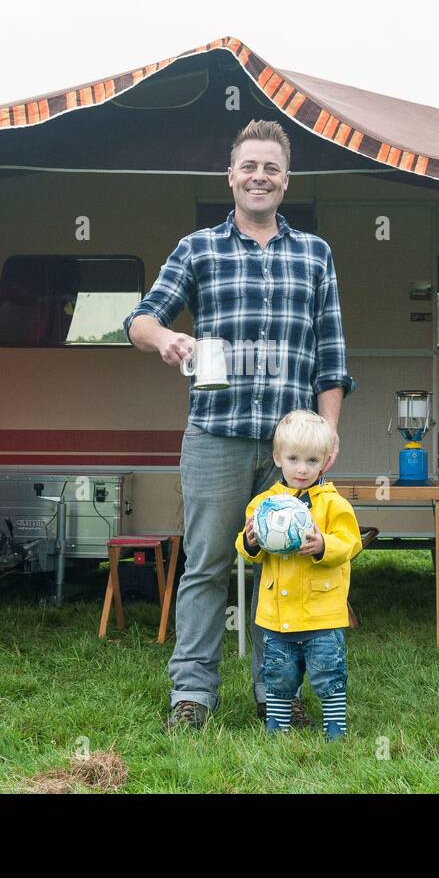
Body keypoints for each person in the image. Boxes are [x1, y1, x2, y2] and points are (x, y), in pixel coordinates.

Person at [123, 119, 354, 731]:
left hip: (290, 449)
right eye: (249, 167)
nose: (260, 177)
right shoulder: (197, 248)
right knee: (206, 566)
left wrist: (327, 434)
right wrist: (169, 337)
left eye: (271, 168)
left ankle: (275, 694)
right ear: (231, 177)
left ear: (286, 180)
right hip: (214, 436)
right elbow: (138, 320)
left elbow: (331, 356)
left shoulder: (315, 254)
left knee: (285, 565)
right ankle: (192, 697)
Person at [236, 410, 362, 740]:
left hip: (322, 615)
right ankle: (277, 730)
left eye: (311, 460)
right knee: (278, 676)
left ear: (324, 462)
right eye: (293, 458)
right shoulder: (262, 505)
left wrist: (323, 545)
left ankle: (335, 731)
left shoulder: (334, 504)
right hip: (278, 615)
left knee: (327, 673)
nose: (302, 468)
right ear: (278, 458)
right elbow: (249, 547)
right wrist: (250, 542)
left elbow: (350, 543)